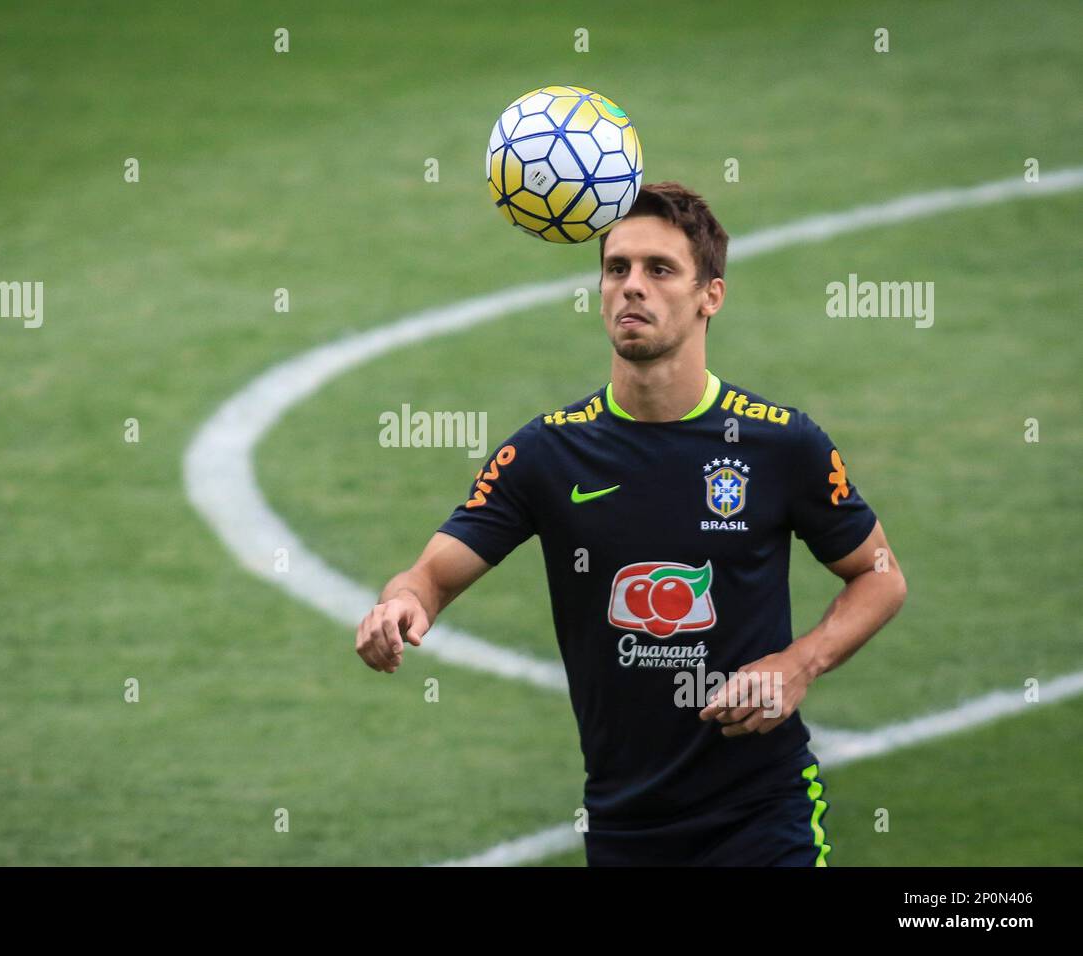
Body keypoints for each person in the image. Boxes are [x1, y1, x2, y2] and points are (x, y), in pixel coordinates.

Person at [355, 182, 907, 866]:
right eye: (617, 269)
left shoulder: (779, 445)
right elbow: (432, 575)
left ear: (712, 295)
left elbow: (879, 577)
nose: (631, 287)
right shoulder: (545, 454)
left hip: (762, 815)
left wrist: (800, 662)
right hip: (623, 825)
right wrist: (400, 604)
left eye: (660, 270)